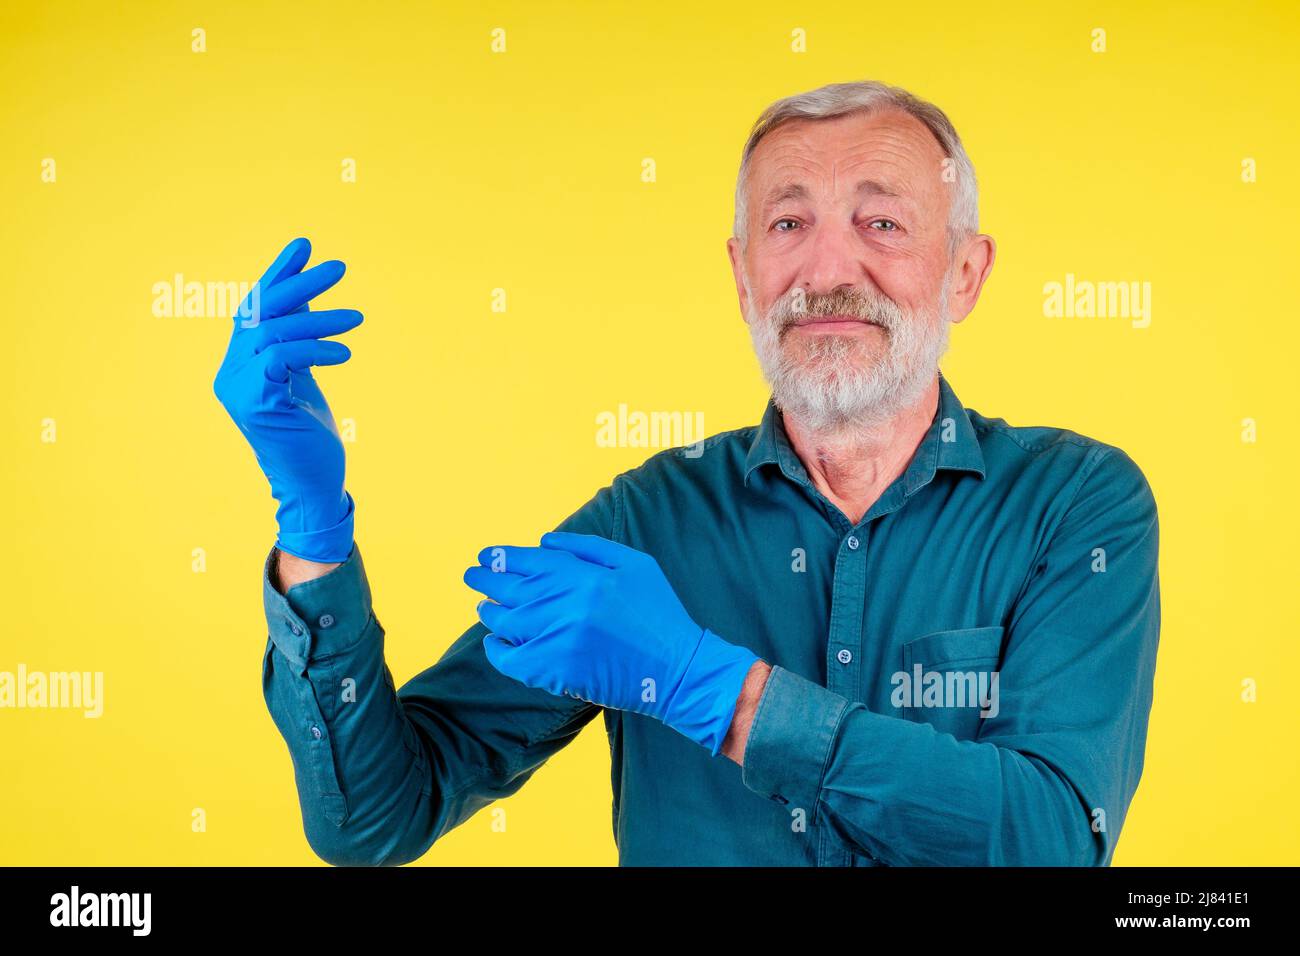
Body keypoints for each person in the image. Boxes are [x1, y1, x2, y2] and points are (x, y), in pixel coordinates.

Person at [213, 80, 1160, 867]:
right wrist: (312, 534)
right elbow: (377, 817)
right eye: (789, 223)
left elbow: (1051, 841)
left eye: (881, 221)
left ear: (964, 272)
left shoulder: (1075, 504)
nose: (829, 267)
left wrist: (712, 688)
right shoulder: (648, 525)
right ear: (744, 276)